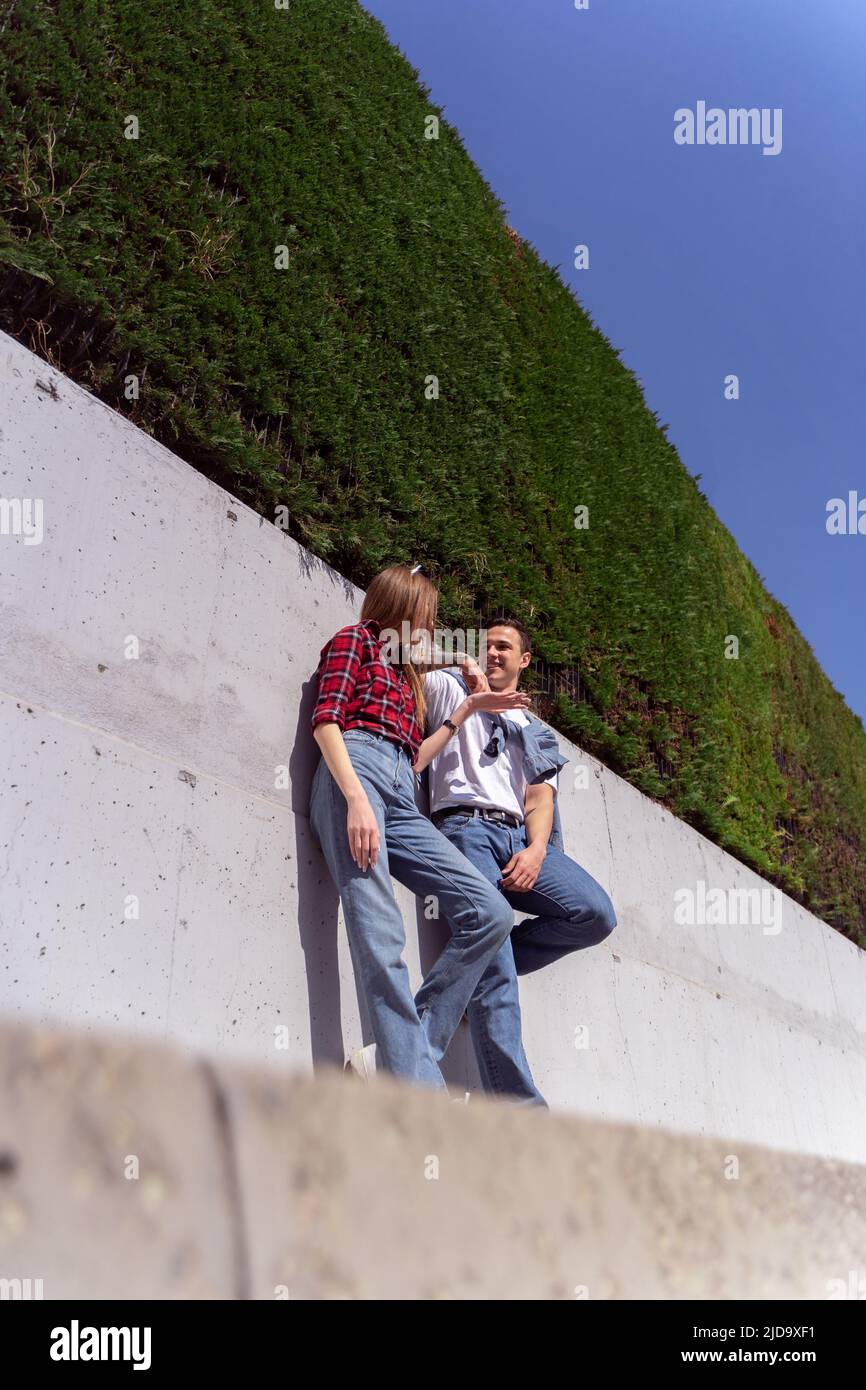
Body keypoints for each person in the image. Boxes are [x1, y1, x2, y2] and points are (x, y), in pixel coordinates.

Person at [308, 565, 532, 1094]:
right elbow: (326, 720)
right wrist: (355, 799)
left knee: (491, 912)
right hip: (354, 773)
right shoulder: (355, 641)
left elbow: (414, 761)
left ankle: (399, 1056)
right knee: (382, 936)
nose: (432, 626)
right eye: (426, 617)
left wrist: (468, 705)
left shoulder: (409, 677)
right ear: (403, 610)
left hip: (402, 791)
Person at [423, 616, 617, 1107]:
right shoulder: (451, 687)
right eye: (486, 645)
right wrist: (462, 664)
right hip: (464, 827)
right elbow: (396, 652)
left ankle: (481, 965)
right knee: (499, 977)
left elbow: (540, 800)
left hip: (518, 837)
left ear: (524, 660)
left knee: (595, 914)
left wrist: (535, 850)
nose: (493, 653)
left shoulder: (534, 729)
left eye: (504, 647)